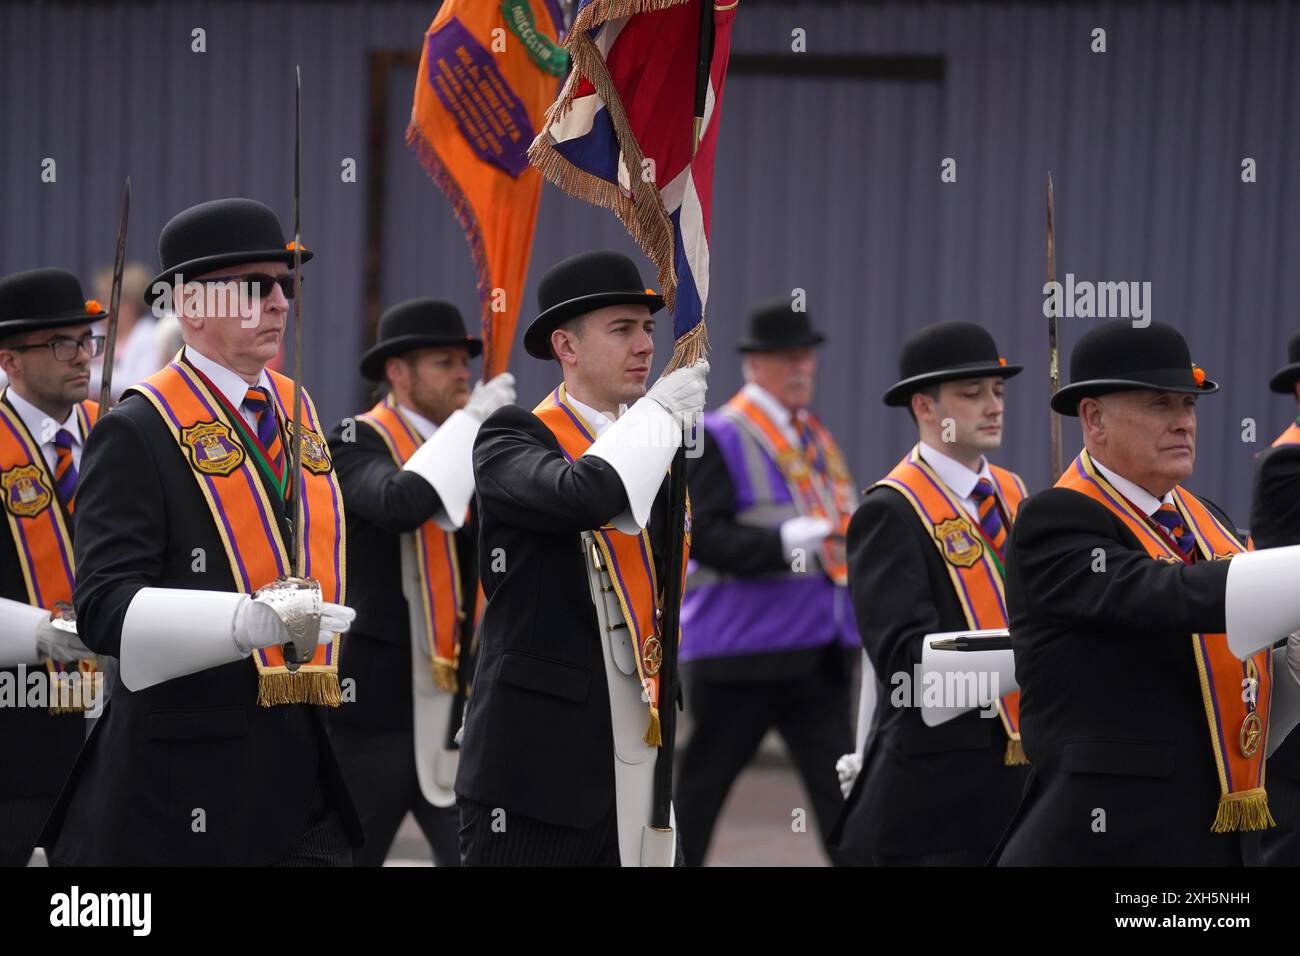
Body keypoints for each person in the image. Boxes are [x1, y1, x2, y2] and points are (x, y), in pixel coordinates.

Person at [38, 197, 363, 865]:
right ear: (190, 308)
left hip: (303, 773)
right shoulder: (137, 428)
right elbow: (101, 608)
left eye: (285, 284)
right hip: (185, 784)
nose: (278, 303)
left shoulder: (296, 409)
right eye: (253, 286)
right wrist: (240, 623)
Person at [995, 319, 1295, 866]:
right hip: (1108, 842)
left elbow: (1233, 664)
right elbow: (1162, 595)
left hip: (1213, 840)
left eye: (1189, 404)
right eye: (1160, 404)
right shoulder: (1056, 521)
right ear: (1094, 418)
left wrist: (1288, 659)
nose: (1184, 422)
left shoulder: (1208, 520)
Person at [457, 250, 707, 865]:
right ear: (565, 347)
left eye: (648, 328)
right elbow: (584, 495)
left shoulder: (659, 443)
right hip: (538, 779)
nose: (645, 345)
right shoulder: (511, 435)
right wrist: (657, 420)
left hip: (639, 756)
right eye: (622, 329)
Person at [829, 321, 1029, 865]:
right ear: (923, 406)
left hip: (1018, 787)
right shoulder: (888, 511)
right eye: (972, 394)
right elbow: (906, 670)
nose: (993, 406)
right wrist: (1034, 657)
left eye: (999, 392)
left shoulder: (1016, 496)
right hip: (935, 799)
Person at [326, 298, 514, 865]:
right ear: (397, 373)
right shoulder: (352, 438)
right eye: (443, 362)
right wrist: (470, 425)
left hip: (461, 701)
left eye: (464, 362)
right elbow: (400, 501)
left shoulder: (477, 443)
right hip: (371, 711)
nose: (462, 374)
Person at [675, 299, 859, 865]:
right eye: (786, 358)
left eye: (806, 356)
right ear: (754, 366)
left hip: (816, 649)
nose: (801, 367)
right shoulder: (717, 434)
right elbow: (701, 538)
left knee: (843, 798)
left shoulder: (812, 437)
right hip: (741, 651)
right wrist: (784, 545)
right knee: (699, 795)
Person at [0, 268, 101, 865]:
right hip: (16, 736)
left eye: (86, 340)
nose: (80, 356)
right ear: (9, 361)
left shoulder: (115, 434)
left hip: (112, 721)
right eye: (60, 343)